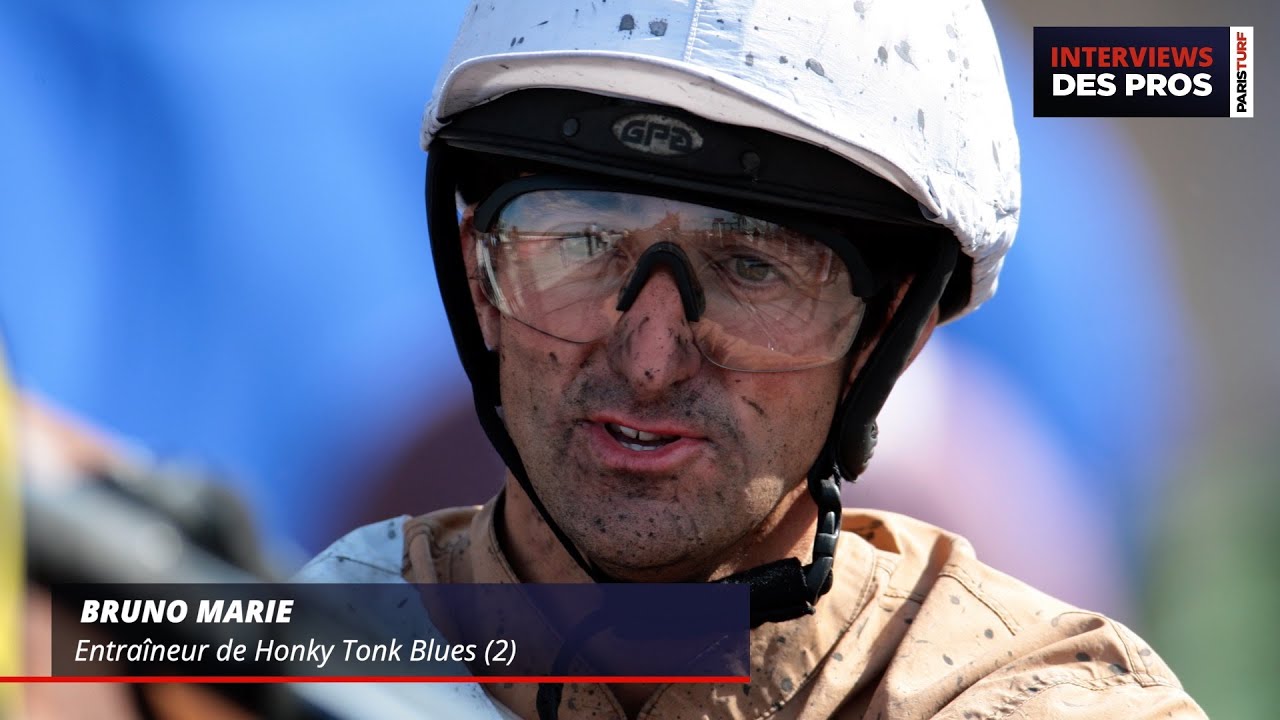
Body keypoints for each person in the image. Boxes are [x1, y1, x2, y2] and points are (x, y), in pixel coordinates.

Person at [302, 1, 1207, 718]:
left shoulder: (1036, 701)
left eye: (751, 268)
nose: (650, 359)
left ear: (891, 334)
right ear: (477, 268)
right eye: (581, 242)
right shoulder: (307, 647)